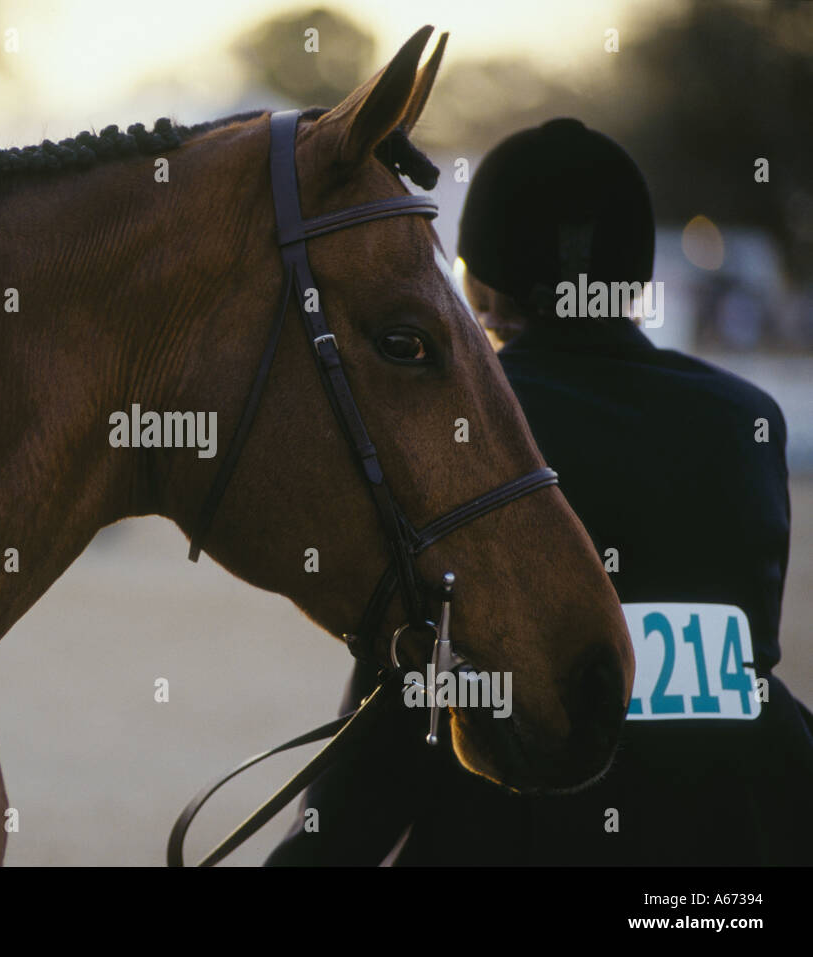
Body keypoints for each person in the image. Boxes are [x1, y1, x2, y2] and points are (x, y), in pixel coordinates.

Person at [268, 118, 813, 865]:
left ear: (477, 281)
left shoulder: (470, 423)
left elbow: (400, 724)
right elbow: (747, 699)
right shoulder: (748, 422)